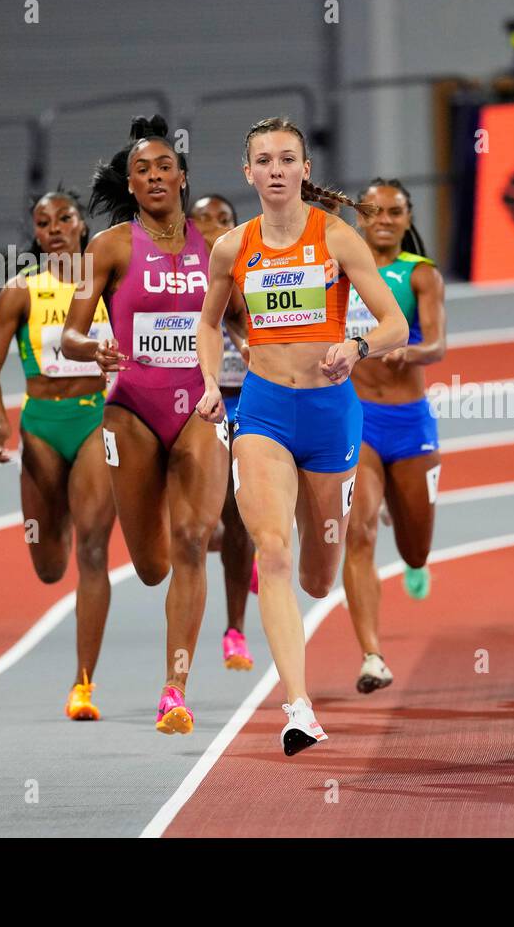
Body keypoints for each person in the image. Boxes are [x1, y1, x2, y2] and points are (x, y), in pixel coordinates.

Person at [196, 116, 408, 755]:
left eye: (289, 158)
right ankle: (298, 706)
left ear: (305, 170)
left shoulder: (337, 238)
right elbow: (209, 325)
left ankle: (325, 576)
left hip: (330, 415)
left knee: (319, 574)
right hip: (261, 411)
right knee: (272, 551)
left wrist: (357, 344)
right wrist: (211, 382)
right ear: (250, 173)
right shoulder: (232, 248)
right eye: (265, 160)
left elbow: (396, 325)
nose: (278, 170)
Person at [63, 115, 229, 735]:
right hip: (130, 407)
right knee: (152, 566)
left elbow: (244, 321)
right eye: (142, 170)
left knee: (191, 542)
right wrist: (92, 349)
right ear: (130, 185)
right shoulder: (107, 247)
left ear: (182, 177)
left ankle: (174, 690)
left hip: (198, 405)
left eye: (164, 167)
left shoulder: (216, 248)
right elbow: (75, 330)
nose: (155, 176)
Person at [0, 190, 116, 719]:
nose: (55, 228)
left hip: (93, 418)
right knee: (51, 567)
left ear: (82, 224)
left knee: (95, 552)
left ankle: (83, 686)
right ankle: (54, 520)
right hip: (39, 427)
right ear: (35, 233)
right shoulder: (20, 291)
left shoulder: (109, 284)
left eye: (64, 218)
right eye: (43, 221)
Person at [340, 178, 446, 693]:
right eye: (374, 211)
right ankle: (372, 656)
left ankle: (414, 562)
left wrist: (413, 351)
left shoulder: (420, 275)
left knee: (416, 547)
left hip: (410, 423)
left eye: (394, 211)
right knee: (358, 532)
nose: (383, 219)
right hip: (357, 419)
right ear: (359, 218)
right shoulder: (341, 272)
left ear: (408, 218)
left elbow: (439, 341)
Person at [190, 194, 254, 670]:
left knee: (238, 514)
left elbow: (245, 327)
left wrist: (250, 344)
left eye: (225, 219)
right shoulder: (183, 277)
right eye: (205, 219)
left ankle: (235, 630)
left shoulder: (249, 274)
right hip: (197, 405)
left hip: (244, 403)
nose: (215, 226)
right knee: (198, 521)